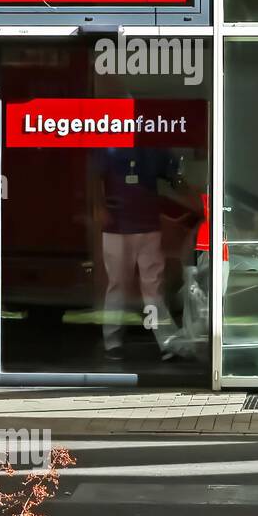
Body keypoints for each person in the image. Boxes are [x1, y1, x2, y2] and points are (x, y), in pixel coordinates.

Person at [96, 146, 183, 361]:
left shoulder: (150, 143)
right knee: (125, 285)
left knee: (149, 286)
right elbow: (95, 177)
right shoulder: (111, 143)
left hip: (143, 225)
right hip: (122, 226)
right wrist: (99, 206)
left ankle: (165, 342)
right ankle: (117, 341)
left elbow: (175, 176)